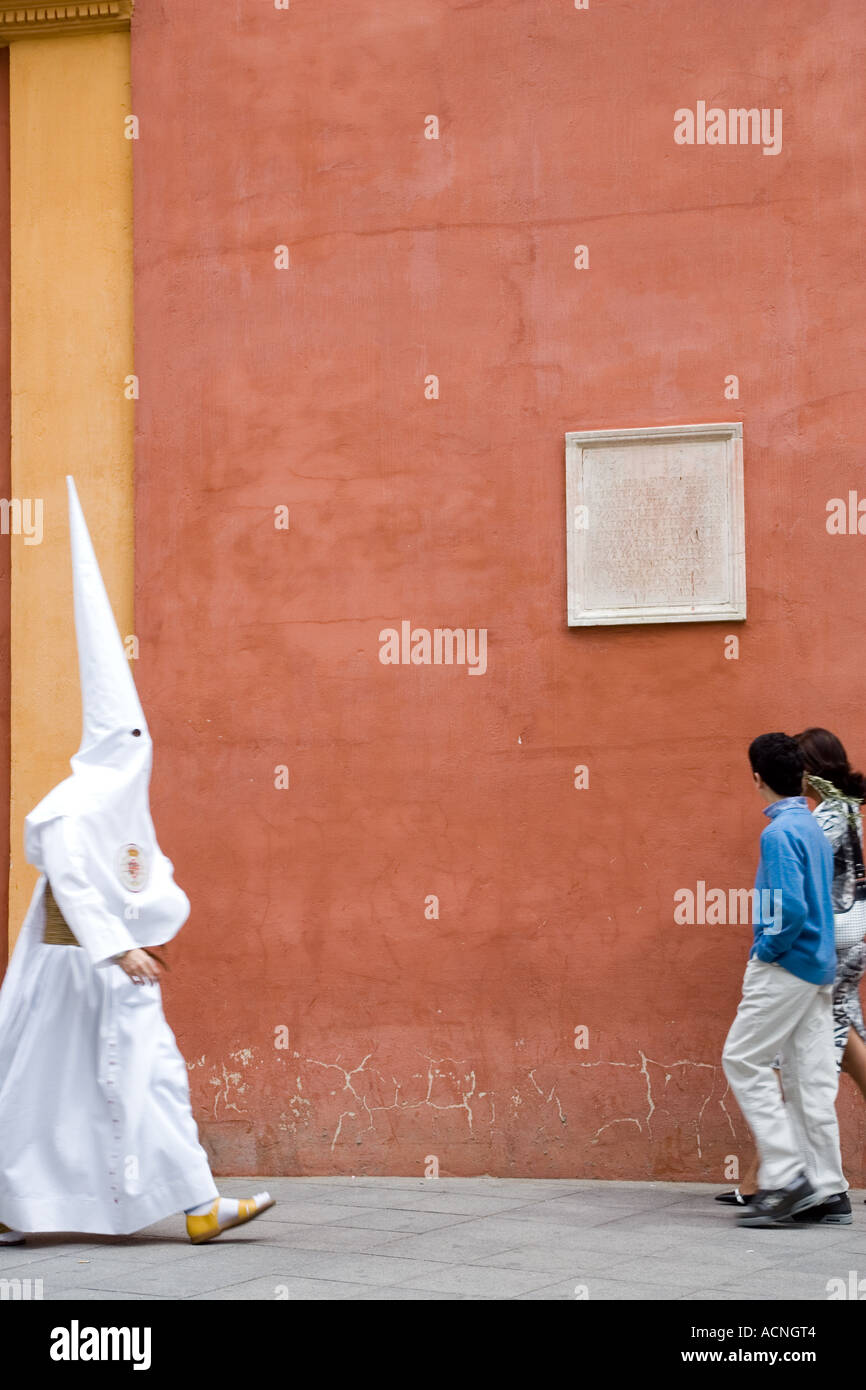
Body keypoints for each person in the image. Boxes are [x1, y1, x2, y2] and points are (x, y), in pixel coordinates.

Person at [0, 477, 273, 1246]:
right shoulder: (72, 800)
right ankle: (21, 1203)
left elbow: (141, 875)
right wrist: (116, 945)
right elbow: (69, 872)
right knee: (42, 1087)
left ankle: (196, 1201)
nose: (136, 754)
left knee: (152, 1074)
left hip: (116, 972)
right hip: (66, 971)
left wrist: (141, 935)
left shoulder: (119, 803)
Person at [716, 727, 866, 1220]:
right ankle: (828, 1188)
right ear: (801, 776)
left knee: (742, 1059)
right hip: (821, 969)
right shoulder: (809, 826)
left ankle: (785, 1176)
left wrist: (765, 949)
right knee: (812, 1080)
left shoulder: (779, 832)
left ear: (757, 778)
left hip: (787, 965)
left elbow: (790, 908)